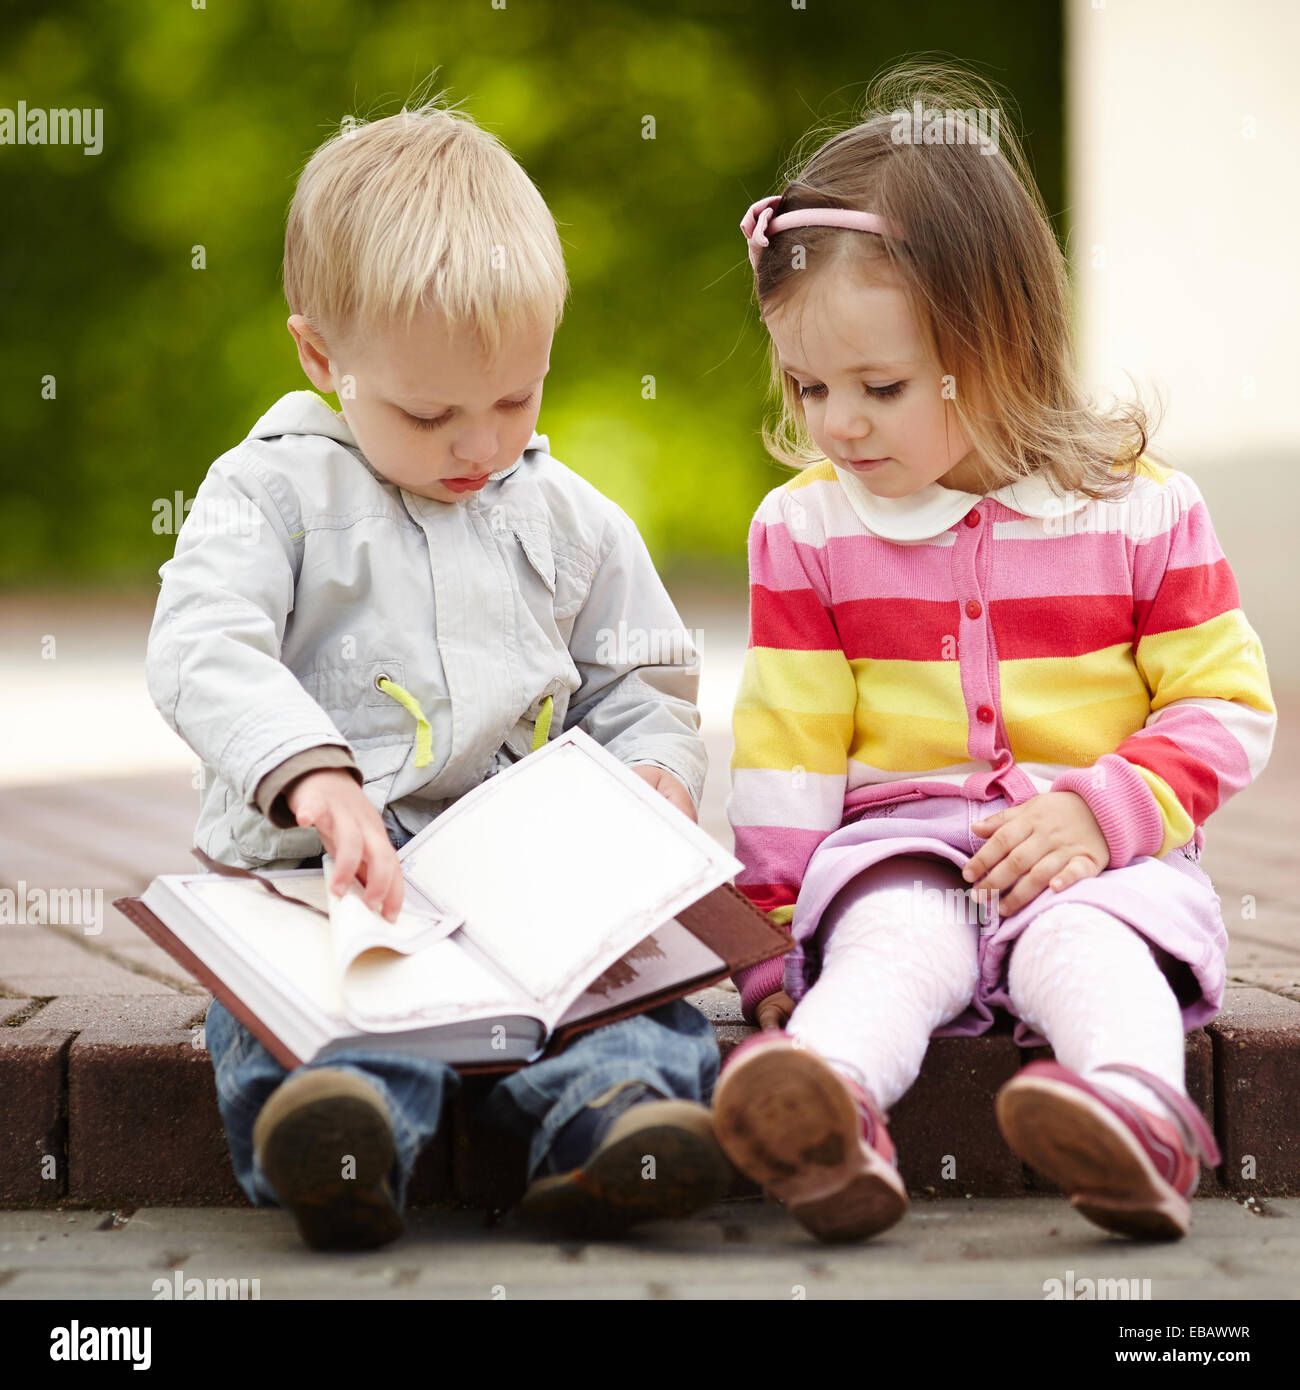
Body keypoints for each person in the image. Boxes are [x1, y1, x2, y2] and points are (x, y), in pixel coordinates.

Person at [145, 96, 729, 1250]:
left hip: (525, 901)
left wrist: (654, 772)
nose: (479, 445)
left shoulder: (568, 518)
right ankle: (344, 1138)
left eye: (516, 399)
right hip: (329, 887)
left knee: (633, 1009)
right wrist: (314, 779)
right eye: (429, 412)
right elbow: (203, 640)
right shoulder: (273, 495)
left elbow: (642, 675)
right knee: (308, 1018)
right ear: (322, 355)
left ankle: (616, 1124)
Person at [714, 61, 1275, 1244]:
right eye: (806, 385)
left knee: (1091, 942)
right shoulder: (807, 531)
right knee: (885, 942)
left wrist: (1105, 812)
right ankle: (827, 1104)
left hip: (1096, 850)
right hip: (901, 848)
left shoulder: (1135, 511)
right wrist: (772, 947)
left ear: (1001, 340)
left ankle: (1134, 1108)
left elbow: (1226, 702)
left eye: (880, 385)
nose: (835, 423)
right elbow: (787, 746)